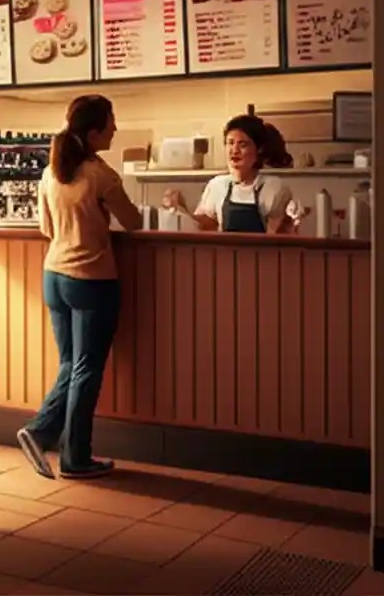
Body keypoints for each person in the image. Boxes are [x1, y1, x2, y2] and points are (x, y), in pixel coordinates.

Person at [16, 95, 143, 481]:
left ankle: (43, 434)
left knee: (72, 363)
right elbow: (134, 222)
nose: (116, 128)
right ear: (93, 131)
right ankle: (71, 454)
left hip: (54, 274)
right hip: (91, 279)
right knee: (86, 368)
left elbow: (46, 229)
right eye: (111, 122)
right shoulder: (101, 176)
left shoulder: (52, 172)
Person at [162, 114, 296, 234]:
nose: (234, 150)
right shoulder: (217, 185)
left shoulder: (274, 187)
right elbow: (205, 227)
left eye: (242, 145)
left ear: (259, 149)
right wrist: (182, 208)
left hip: (261, 258)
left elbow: (276, 237)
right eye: (230, 143)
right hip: (225, 257)